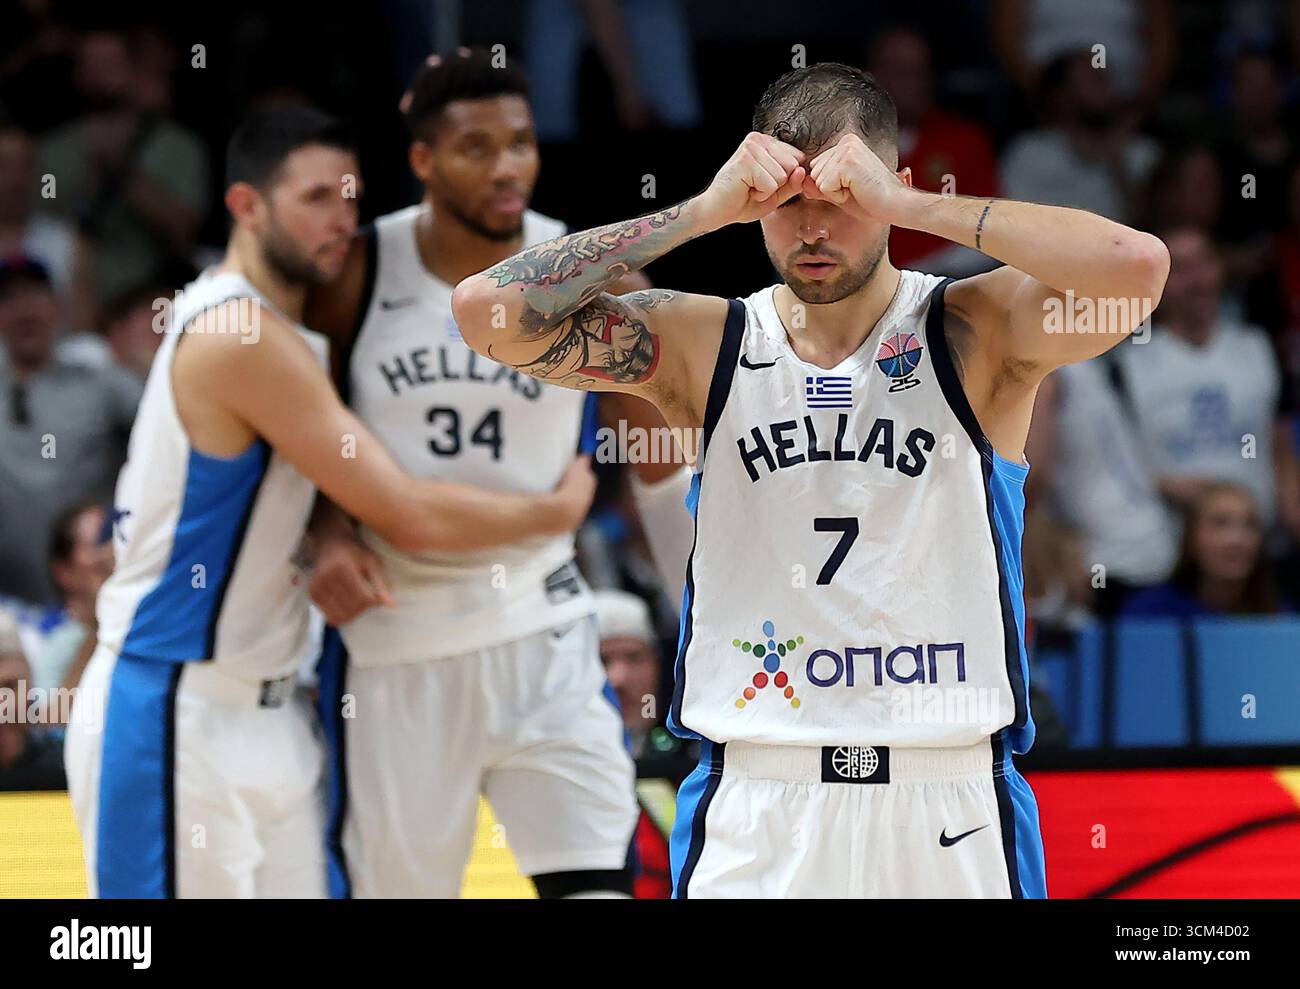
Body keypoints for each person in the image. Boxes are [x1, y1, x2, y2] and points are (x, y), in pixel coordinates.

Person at [453, 61, 1170, 897]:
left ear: (889, 187)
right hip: (759, 796)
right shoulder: (705, 341)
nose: (816, 229)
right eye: (791, 203)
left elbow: (1137, 267)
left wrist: (915, 206)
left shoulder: (977, 330)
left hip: (948, 792)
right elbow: (486, 313)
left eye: (846, 197)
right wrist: (704, 211)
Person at [62, 105, 595, 899]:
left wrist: (328, 536)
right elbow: (403, 509)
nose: (343, 220)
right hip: (175, 707)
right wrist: (556, 513)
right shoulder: (239, 331)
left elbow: (302, 480)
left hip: (277, 708)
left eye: (352, 198)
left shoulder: (289, 330)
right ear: (246, 206)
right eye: (316, 198)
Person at [302, 49, 639, 899]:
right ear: (422, 160)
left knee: (598, 885)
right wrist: (325, 530)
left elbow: (662, 456)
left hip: (544, 626)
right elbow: (291, 436)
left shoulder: (586, 270)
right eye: (475, 147)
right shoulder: (355, 273)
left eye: (520, 143)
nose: (505, 168)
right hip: (396, 641)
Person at [0, 254, 140, 604]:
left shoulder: (102, 386)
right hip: (7, 612)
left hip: (97, 598)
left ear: (59, 307)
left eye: (35, 295)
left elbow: (172, 427)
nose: (23, 310)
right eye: (9, 299)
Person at [1123, 482, 1292, 617]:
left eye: (1250, 524)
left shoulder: (1279, 617)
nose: (1237, 540)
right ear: (1191, 538)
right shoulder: (1150, 613)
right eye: (1220, 524)